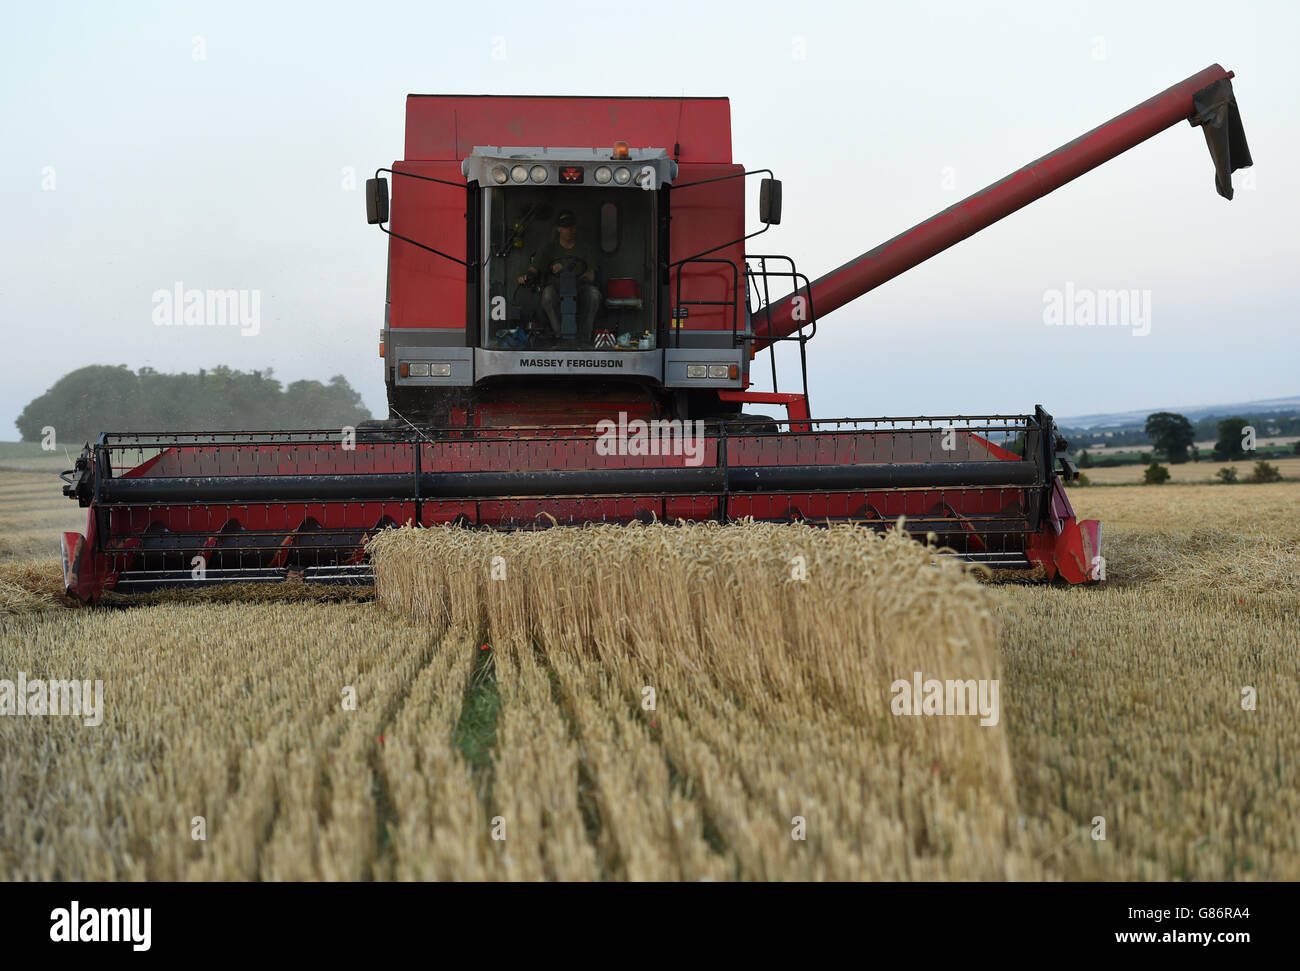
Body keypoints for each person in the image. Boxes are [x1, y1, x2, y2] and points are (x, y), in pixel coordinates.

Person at [517, 210, 601, 342]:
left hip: (579, 288)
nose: (569, 230)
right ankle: (560, 336)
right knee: (547, 295)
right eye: (565, 226)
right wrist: (526, 276)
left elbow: (591, 276)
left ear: (575, 227)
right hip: (556, 288)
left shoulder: (585, 248)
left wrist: (568, 272)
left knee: (594, 294)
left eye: (571, 226)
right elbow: (534, 269)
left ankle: (584, 338)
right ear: (558, 228)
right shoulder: (549, 248)